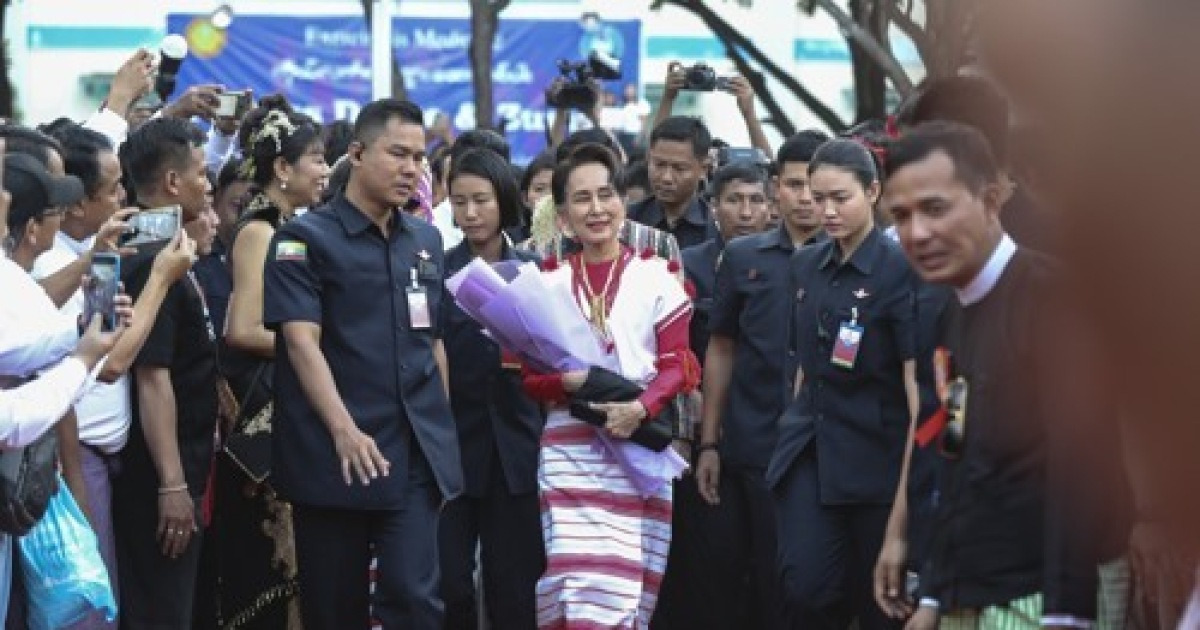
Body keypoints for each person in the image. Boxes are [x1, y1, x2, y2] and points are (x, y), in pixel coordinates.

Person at [880, 122, 1125, 630]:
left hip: (1041, 597)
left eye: (935, 208)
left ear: (991, 200)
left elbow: (1080, 470)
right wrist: (932, 594)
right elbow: (952, 452)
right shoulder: (948, 313)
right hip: (966, 591)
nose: (917, 233)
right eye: (900, 216)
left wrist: (1066, 613)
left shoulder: (1054, 299)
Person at [262, 98, 461, 629]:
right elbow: (301, 343)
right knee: (334, 611)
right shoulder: (301, 240)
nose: (412, 169)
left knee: (415, 601)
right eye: (398, 154)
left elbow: (433, 342)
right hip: (333, 456)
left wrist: (442, 438)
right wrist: (344, 430)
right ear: (355, 152)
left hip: (413, 454)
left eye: (420, 158)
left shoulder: (426, 239)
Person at [521, 143, 699, 628]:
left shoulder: (656, 275)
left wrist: (640, 408)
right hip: (569, 447)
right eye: (582, 199)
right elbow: (528, 378)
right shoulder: (546, 285)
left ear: (624, 201)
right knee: (577, 581)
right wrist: (568, 381)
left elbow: (679, 364)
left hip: (639, 445)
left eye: (606, 195)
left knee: (632, 587)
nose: (596, 209)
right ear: (561, 216)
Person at [769, 139, 920, 630]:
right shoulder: (805, 264)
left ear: (873, 192)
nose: (826, 211)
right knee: (806, 589)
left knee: (882, 604)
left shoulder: (902, 270)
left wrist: (911, 483)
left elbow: (915, 386)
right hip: (810, 451)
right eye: (818, 198)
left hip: (877, 457)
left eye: (841, 197)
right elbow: (801, 362)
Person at [688, 130, 830, 630]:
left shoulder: (854, 263)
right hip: (750, 446)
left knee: (806, 585)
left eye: (820, 188)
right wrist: (709, 442)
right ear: (776, 190)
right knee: (741, 577)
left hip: (827, 455)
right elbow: (721, 346)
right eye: (795, 185)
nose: (808, 198)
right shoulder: (745, 257)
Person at [211, 95, 327, 629]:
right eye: (316, 160)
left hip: (289, 412)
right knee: (269, 566)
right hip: (262, 420)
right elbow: (242, 329)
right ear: (283, 169)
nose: (325, 171)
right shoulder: (259, 231)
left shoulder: (290, 226)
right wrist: (313, 345)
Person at [113, 116, 222, 629]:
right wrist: (172, 486)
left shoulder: (173, 252)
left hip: (190, 465)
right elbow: (151, 377)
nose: (209, 184)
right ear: (173, 183)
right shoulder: (149, 261)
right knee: (161, 613)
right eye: (201, 173)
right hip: (157, 479)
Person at [653, 161, 771, 629]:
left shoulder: (790, 263)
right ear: (712, 206)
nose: (746, 211)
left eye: (756, 200)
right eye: (734, 200)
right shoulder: (685, 264)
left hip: (764, 431)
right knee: (708, 566)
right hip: (702, 433)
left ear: (771, 205)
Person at [439, 148, 545, 630]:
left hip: (516, 448)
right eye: (459, 201)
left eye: (480, 200)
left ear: (503, 200)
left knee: (514, 589)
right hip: (452, 447)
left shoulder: (533, 272)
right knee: (451, 586)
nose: (470, 213)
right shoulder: (435, 271)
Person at [627, 116, 717, 250]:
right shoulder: (627, 220)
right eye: (659, 165)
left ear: (703, 169)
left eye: (679, 168)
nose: (666, 178)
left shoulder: (716, 228)